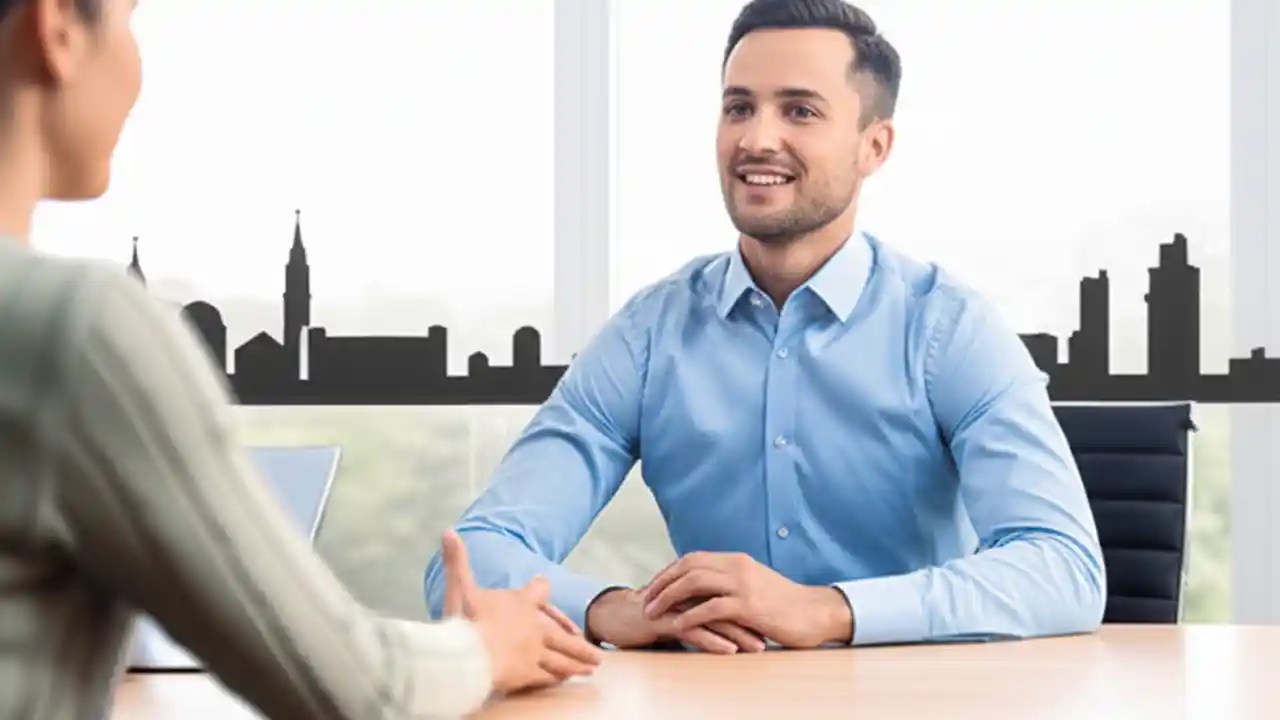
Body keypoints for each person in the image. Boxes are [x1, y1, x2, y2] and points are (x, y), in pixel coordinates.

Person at [424, 0, 1105, 653]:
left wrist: (828, 610)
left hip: (911, 699)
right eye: (738, 107)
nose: (756, 138)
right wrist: (610, 608)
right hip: (716, 698)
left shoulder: (949, 329)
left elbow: (1064, 568)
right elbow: (468, 559)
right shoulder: (649, 333)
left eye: (799, 110)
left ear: (874, 146)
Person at [0, 0, 601, 718]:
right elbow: (359, 688)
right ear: (57, 28)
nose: (135, 65)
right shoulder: (73, 334)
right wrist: (487, 647)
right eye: (130, 18)